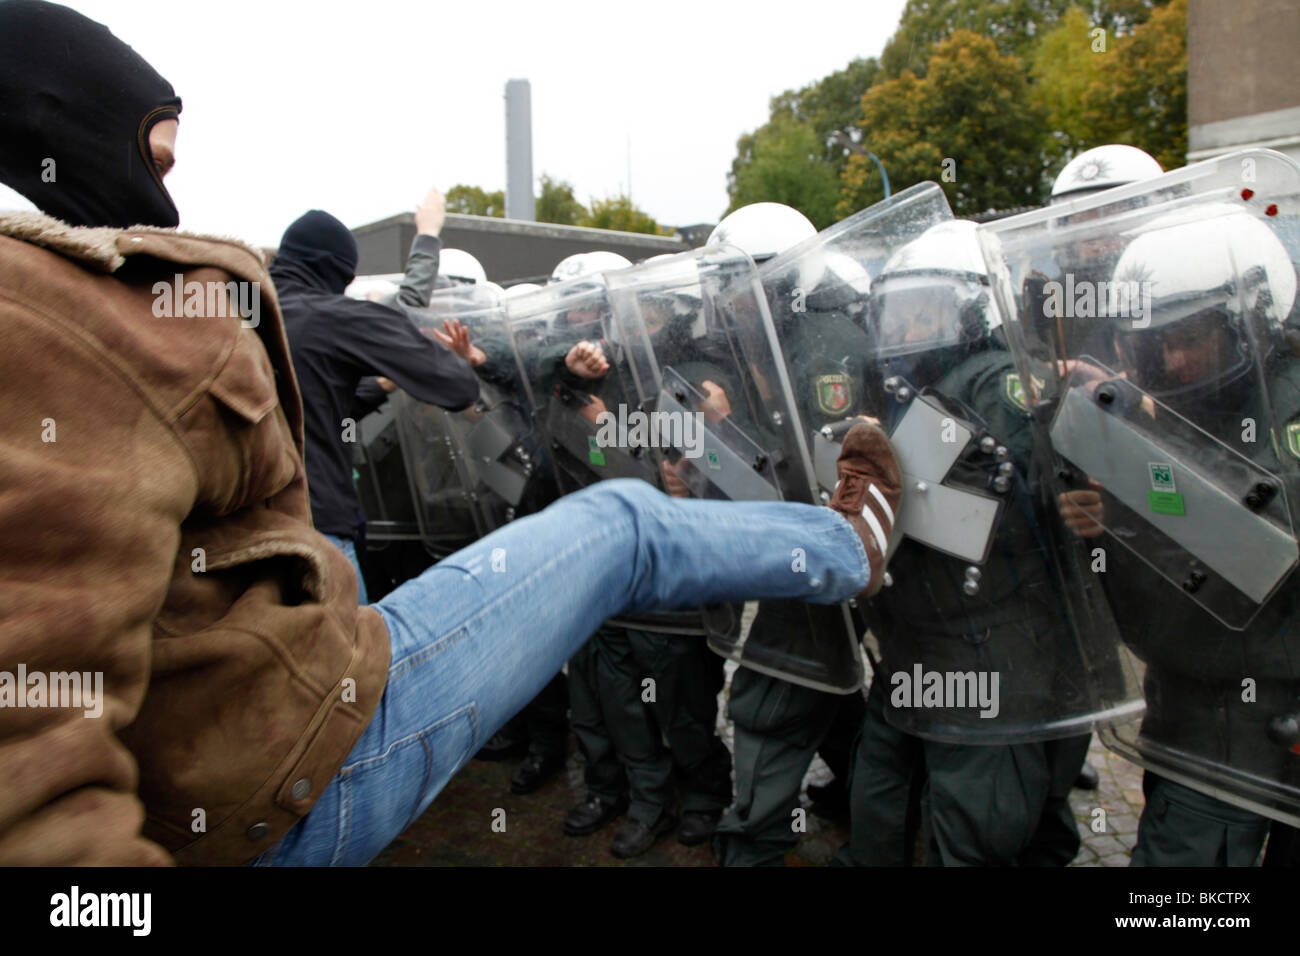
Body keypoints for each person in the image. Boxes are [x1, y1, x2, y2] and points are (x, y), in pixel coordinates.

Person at [0, 1, 904, 866]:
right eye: (159, 158)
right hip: (284, 774)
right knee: (622, 532)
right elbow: (40, 751)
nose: (164, 194)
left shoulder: (109, 310)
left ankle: (686, 783)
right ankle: (848, 543)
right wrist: (491, 358)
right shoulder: (62, 323)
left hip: (239, 749)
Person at [1054, 201, 1300, 865]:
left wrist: (1133, 499)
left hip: (1260, 697)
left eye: (1195, 338)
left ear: (1252, 319)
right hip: (1193, 705)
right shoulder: (1177, 410)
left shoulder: (1286, 411)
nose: (1176, 359)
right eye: (1155, 344)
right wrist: (1105, 516)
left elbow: (1260, 544)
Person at [272, 209, 481, 603]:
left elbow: (310, 402)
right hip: (318, 529)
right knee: (353, 644)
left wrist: (383, 383)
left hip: (241, 531)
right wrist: (456, 362)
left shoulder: (240, 311)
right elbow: (458, 387)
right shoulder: (334, 315)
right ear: (340, 274)